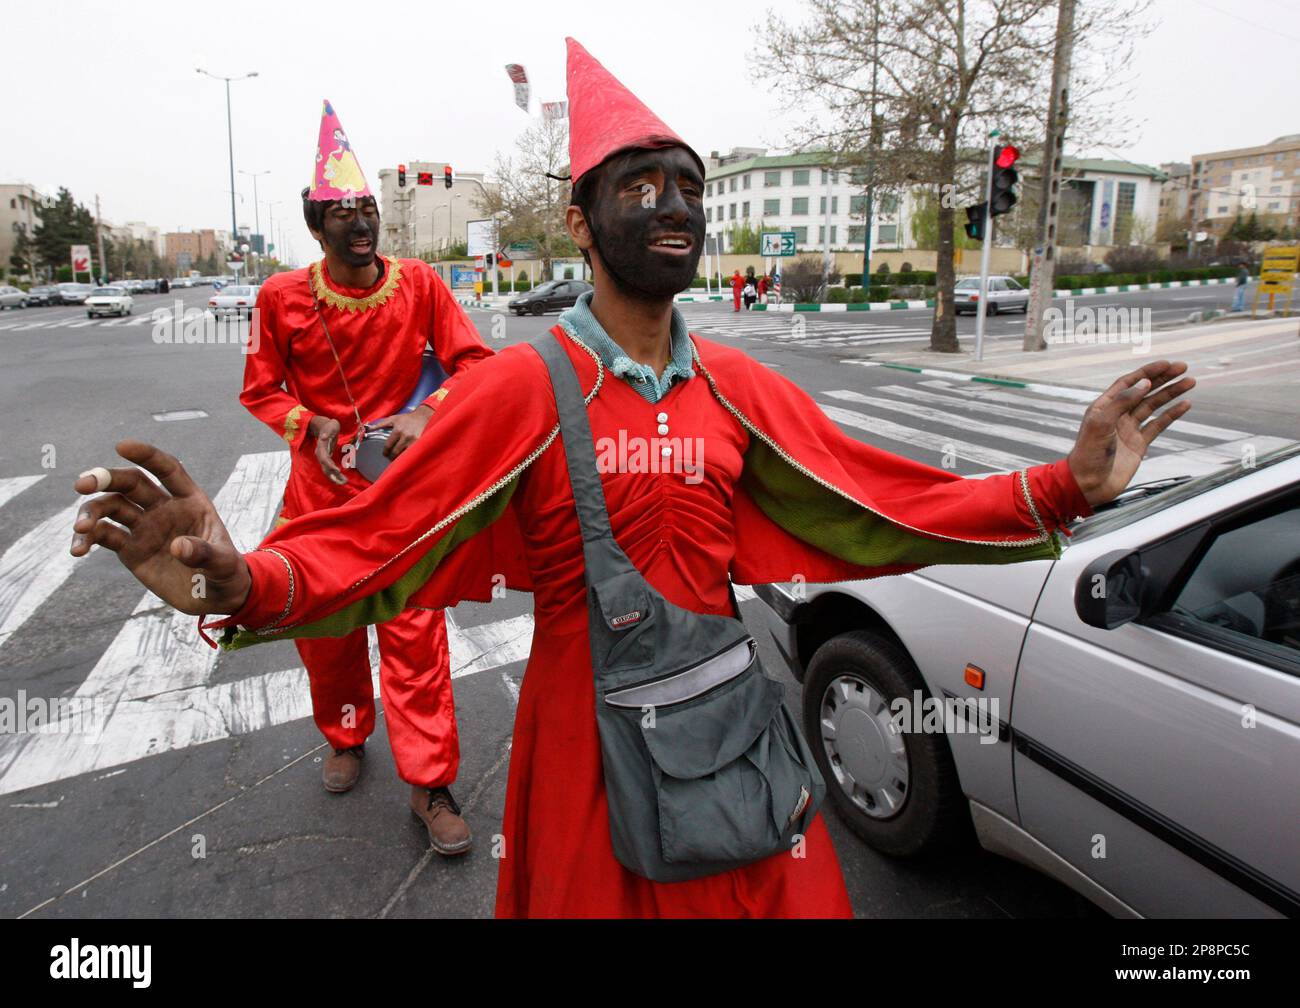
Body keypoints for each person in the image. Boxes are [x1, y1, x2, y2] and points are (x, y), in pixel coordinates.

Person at [70, 38, 1195, 919]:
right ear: (579, 219)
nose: (673, 206)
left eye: (688, 187)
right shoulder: (521, 386)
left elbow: (884, 501)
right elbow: (384, 537)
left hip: (729, 732)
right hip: (583, 754)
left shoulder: (742, 388)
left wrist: (1062, 489)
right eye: (641, 185)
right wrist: (239, 584)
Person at [238, 99, 495, 854]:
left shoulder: (419, 286)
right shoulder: (280, 298)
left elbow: (476, 365)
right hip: (317, 503)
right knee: (327, 637)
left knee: (417, 638)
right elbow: (259, 388)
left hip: (401, 500)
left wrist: (429, 413)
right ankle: (347, 734)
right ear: (316, 230)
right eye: (341, 212)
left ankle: (430, 784)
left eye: (367, 208)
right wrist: (305, 421)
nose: (360, 221)